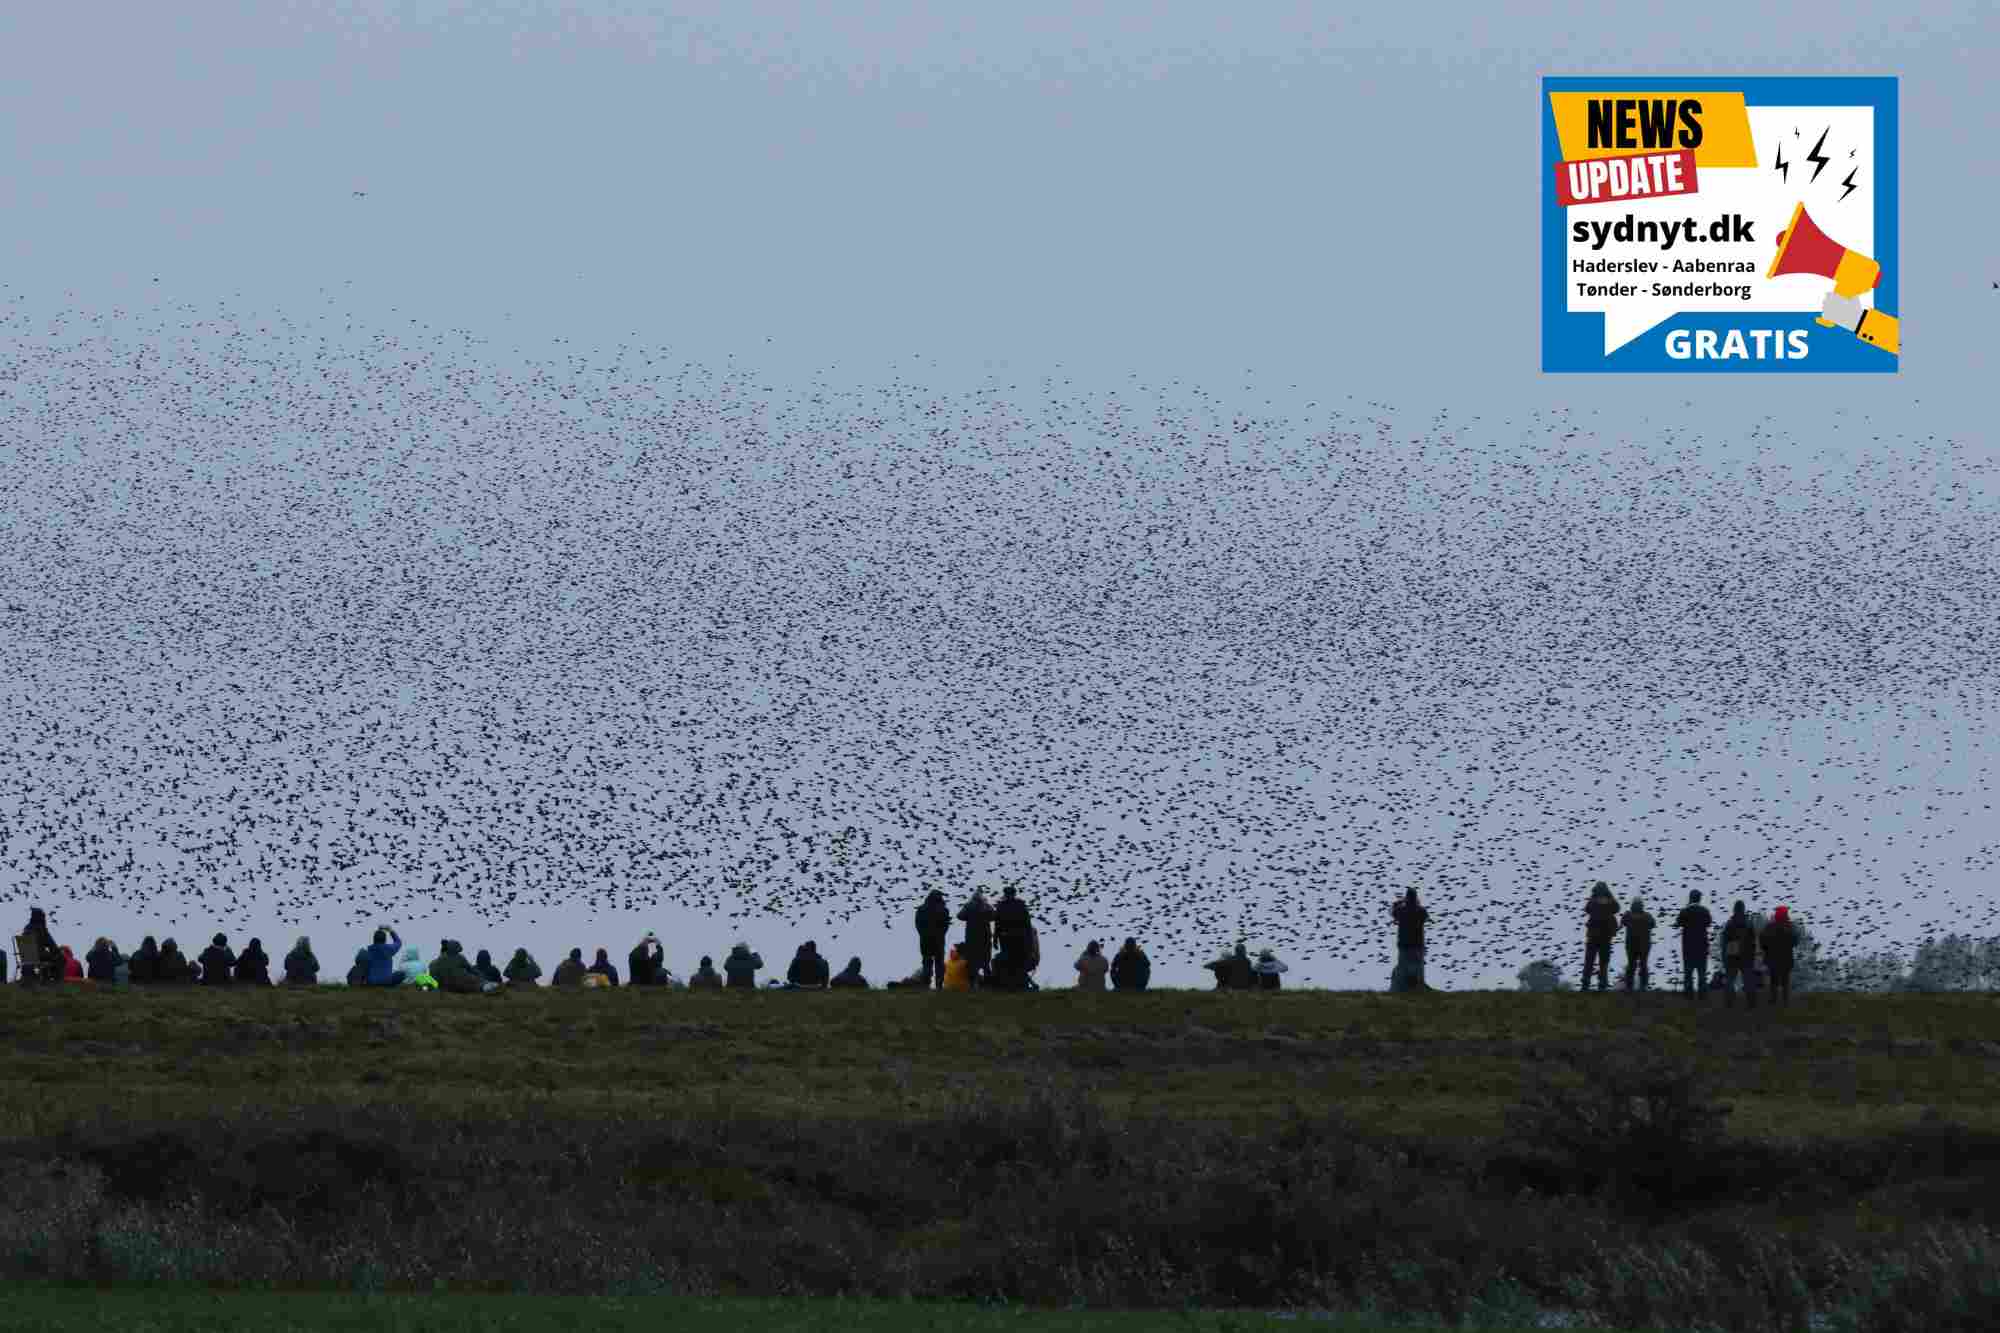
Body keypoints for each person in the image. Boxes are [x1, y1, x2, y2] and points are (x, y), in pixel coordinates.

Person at [1674, 891, 1713, 1000]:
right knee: (1702, 971)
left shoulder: (1685, 911)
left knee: (1688, 970)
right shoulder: (1705, 911)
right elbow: (1709, 923)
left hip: (1688, 945)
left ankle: (1689, 994)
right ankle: (1702, 994)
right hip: (1702, 944)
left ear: (1690, 898)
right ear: (1699, 899)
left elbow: (1678, 923)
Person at [1582, 883, 1620, 993]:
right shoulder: (1611, 901)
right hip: (1606, 937)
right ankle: (1602, 985)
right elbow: (1617, 909)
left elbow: (1587, 909)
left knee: (1589, 961)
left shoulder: (1593, 901)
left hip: (1593, 936)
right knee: (1604, 962)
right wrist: (1609, 898)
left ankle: (1585, 985)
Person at [1719, 901, 1757, 1007]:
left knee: (1730, 979)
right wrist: (1752, 954)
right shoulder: (1748, 923)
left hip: (1732, 954)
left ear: (1734, 909)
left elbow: (1724, 941)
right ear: (1743, 909)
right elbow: (1753, 941)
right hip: (1746, 954)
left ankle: (1729, 1002)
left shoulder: (1730, 923)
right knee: (1748, 979)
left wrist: (1724, 956)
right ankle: (1751, 1002)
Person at [1391, 888, 1430, 992]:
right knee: (1418, 968)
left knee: (1404, 967)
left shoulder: (1401, 910)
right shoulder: (1421, 910)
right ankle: (1418, 988)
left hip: (1404, 945)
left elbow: (1393, 912)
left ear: (1407, 898)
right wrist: (1418, 904)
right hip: (1418, 944)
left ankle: (1403, 988)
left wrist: (1400, 902)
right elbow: (1426, 918)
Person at [1761, 905, 1800, 1006]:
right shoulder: (1790, 926)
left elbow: (1763, 941)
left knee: (1774, 980)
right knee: (1785, 980)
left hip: (1772, 957)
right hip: (1786, 958)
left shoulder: (1770, 927)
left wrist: (1767, 949)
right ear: (1786, 914)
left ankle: (1773, 1000)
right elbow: (1795, 941)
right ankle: (1785, 1001)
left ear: (1776, 914)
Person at [431, 940, 501, 994]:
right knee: (473, 981)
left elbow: (434, 974)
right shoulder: (459, 957)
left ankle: (487, 986)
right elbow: (470, 969)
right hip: (458, 983)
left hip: (446, 986)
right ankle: (487, 987)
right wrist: (481, 977)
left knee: (472, 979)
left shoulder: (439, 960)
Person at [957, 890, 995, 988]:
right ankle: (988, 984)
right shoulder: (986, 906)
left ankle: (972, 984)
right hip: (985, 938)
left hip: (971, 938)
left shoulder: (969, 906)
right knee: (986, 962)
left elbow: (960, 916)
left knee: (972, 962)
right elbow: (994, 916)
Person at [915, 889, 952, 990]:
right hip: (938, 940)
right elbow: (946, 926)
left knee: (926, 962)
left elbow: (917, 924)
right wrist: (941, 934)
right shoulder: (944, 910)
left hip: (925, 940)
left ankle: (926, 984)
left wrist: (922, 934)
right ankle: (939, 985)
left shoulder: (921, 909)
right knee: (939, 963)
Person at [1620, 897, 1656, 993]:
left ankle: (1629, 987)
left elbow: (1622, 923)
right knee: (1643, 965)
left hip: (1631, 945)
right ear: (1642, 906)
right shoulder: (1647, 916)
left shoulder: (1627, 915)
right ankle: (1643, 986)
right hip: (1644, 945)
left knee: (1631, 965)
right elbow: (1653, 924)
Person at [21, 907, 60, 983]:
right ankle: (56, 980)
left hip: (26, 957)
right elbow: (52, 946)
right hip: (39, 957)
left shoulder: (26, 929)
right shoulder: (41, 929)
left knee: (49, 955)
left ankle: (41, 976)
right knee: (59, 957)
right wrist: (58, 951)